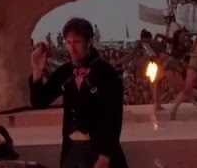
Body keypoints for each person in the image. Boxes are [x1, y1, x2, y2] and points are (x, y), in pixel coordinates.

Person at [29, 17, 127, 168]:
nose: (72, 48)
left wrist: (105, 157)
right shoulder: (65, 71)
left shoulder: (107, 73)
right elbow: (39, 101)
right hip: (72, 151)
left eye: (77, 42)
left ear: (89, 42)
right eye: (68, 42)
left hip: (99, 152)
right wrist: (37, 71)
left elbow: (114, 119)